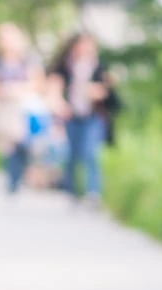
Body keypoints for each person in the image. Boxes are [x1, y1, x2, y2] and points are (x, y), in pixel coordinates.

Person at [48, 32, 121, 201]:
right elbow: (54, 87)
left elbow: (109, 93)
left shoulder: (100, 67)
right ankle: (71, 191)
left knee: (91, 152)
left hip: (93, 115)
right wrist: (60, 103)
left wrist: (99, 91)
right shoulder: (65, 66)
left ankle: (93, 191)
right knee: (72, 155)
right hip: (71, 115)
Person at [0, 21, 45, 194]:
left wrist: (19, 88)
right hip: (4, 107)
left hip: (23, 106)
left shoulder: (28, 59)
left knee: (22, 142)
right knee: (8, 144)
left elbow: (38, 82)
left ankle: (20, 174)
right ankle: (12, 179)